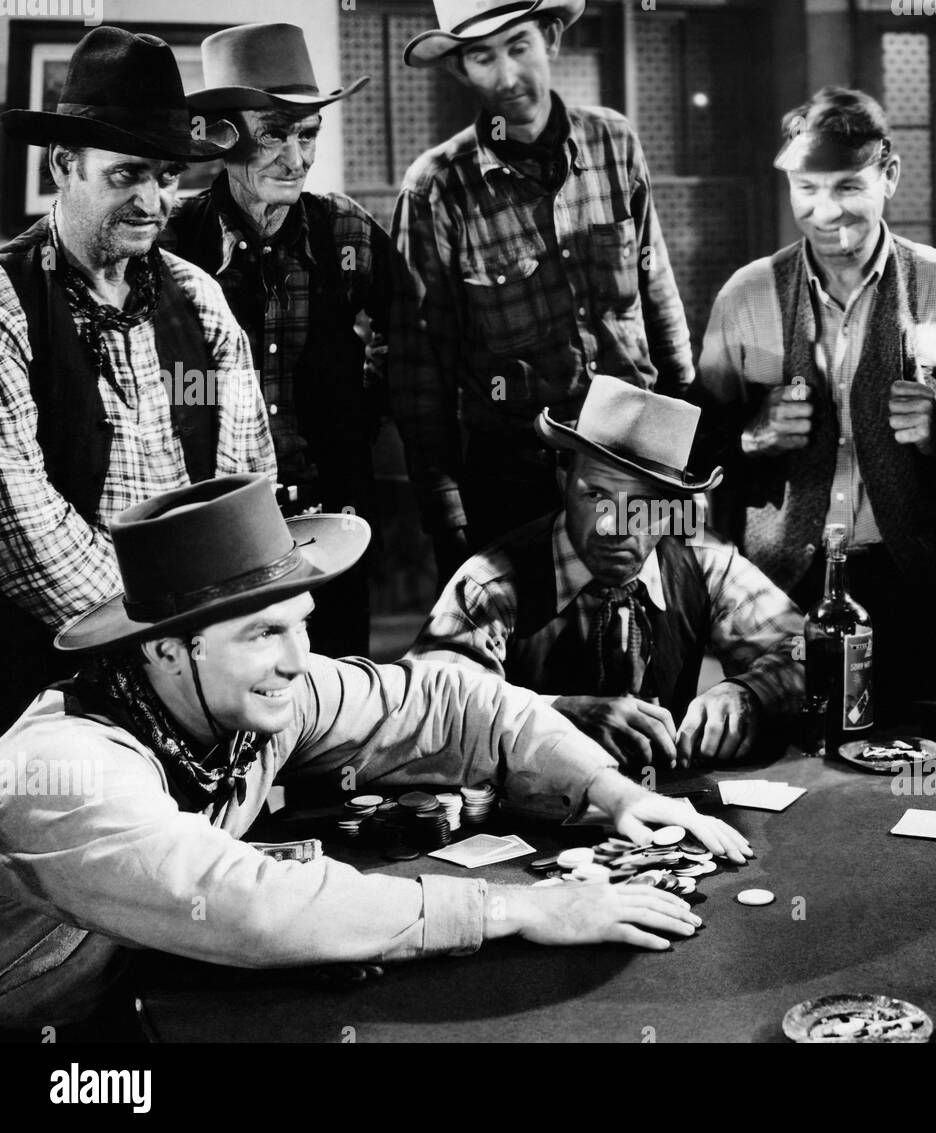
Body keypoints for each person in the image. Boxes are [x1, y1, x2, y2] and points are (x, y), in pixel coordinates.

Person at [0, 473, 752, 1036]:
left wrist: (609, 787)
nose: (299, 659)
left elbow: (454, 701)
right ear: (165, 650)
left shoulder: (259, 694)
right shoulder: (60, 772)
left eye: (301, 624)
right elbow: (249, 903)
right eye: (263, 633)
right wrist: (517, 906)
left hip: (132, 1004)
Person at [696, 86, 936, 722]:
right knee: (786, 768)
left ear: (889, 176)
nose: (826, 212)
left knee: (923, 759)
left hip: (918, 586)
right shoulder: (746, 295)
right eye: (807, 189)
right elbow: (690, 451)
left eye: (849, 186)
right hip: (776, 590)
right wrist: (749, 438)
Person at [0, 26, 273, 729]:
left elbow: (245, 483)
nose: (153, 202)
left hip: (197, 672)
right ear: (64, 164)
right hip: (49, 686)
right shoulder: (9, 305)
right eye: (127, 174)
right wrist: (165, 638)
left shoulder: (200, 300)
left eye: (166, 176)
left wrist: (214, 641)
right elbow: (22, 530)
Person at [391, 0, 694, 566]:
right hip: (516, 475)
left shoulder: (615, 141)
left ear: (551, 37)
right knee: (527, 643)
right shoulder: (436, 186)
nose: (507, 77)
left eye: (520, 47)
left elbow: (657, 287)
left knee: (645, 632)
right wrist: (445, 503)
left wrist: (682, 432)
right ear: (460, 69)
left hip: (637, 453)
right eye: (483, 57)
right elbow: (418, 364)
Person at [165, 22, 429, 659]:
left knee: (336, 692)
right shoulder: (175, 243)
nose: (298, 158)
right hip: (221, 527)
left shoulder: (344, 229)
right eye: (274, 134)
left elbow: (413, 338)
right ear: (224, 139)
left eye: (307, 134)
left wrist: (360, 405)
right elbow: (152, 382)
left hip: (335, 518)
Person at [408, 376, 804, 767]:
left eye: (641, 505)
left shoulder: (702, 558)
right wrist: (553, 716)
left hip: (666, 813)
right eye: (595, 494)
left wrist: (749, 692)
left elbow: (810, 650)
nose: (612, 525)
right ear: (564, 480)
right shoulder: (490, 585)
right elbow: (425, 710)